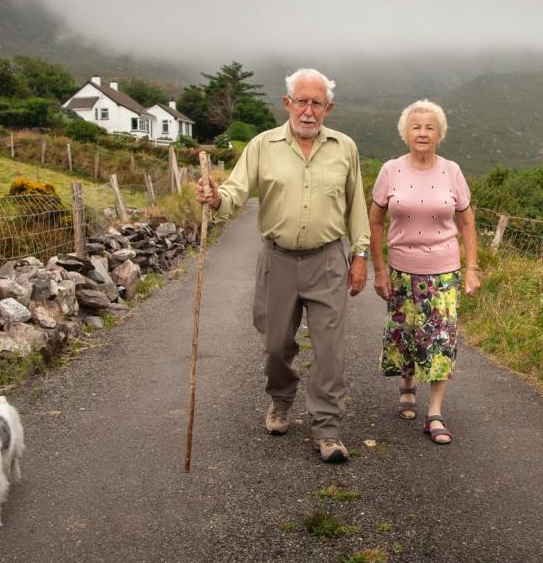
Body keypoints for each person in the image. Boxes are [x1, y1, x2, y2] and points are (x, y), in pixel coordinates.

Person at [195, 68, 370, 463]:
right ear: (287, 104)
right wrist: (213, 197)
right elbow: (235, 193)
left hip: (328, 259)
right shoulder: (262, 145)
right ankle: (280, 400)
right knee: (275, 346)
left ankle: (327, 429)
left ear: (329, 108)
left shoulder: (345, 148)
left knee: (330, 352)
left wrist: (360, 256)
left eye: (317, 103)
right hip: (277, 259)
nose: (309, 111)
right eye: (302, 102)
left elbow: (356, 205)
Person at [368, 99, 480, 444]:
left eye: (430, 127)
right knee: (407, 334)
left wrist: (472, 268)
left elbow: (466, 220)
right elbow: (375, 221)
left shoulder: (452, 171)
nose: (422, 133)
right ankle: (406, 382)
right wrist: (380, 269)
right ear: (405, 132)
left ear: (440, 134)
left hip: (444, 270)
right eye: (416, 126)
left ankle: (435, 413)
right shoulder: (391, 170)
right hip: (401, 268)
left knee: (440, 340)